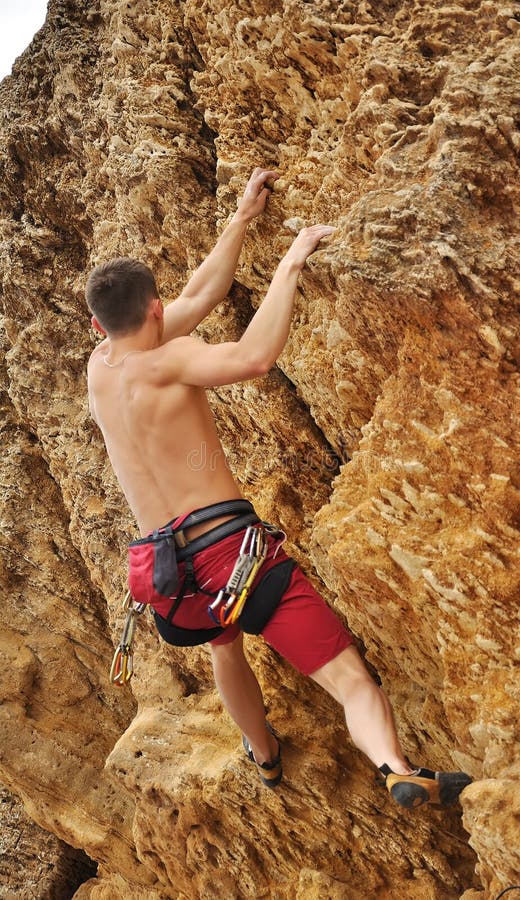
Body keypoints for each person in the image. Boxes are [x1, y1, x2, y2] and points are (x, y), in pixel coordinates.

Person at [86, 167, 471, 809]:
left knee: (222, 642)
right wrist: (289, 262)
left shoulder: (104, 368)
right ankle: (395, 767)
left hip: (168, 576)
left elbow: (200, 296)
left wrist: (241, 218)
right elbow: (252, 359)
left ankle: (263, 754)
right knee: (348, 679)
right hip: (238, 557)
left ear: (100, 325)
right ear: (154, 309)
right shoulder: (171, 360)